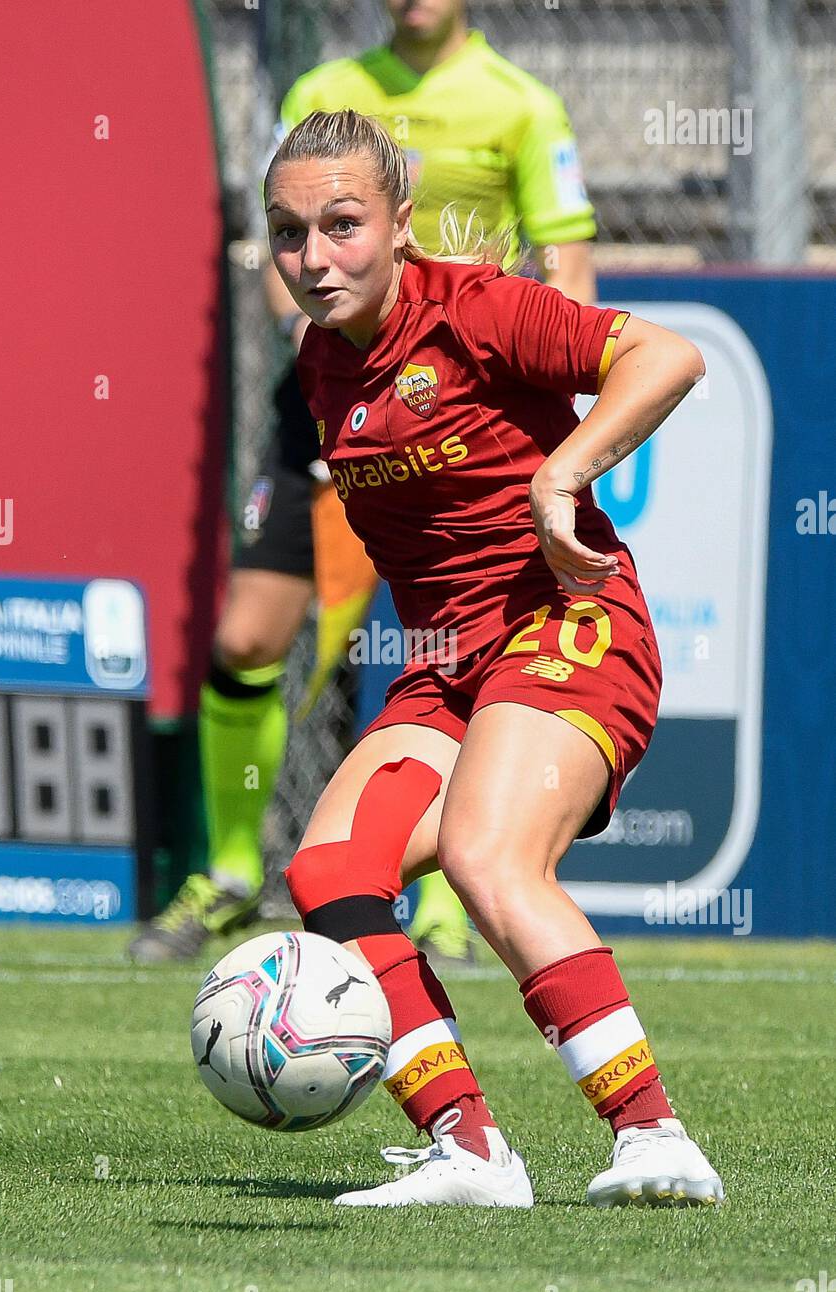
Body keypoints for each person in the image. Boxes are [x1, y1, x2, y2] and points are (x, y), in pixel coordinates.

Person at [264, 108, 725, 1210]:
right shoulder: (315, 358)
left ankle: (652, 1133)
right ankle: (468, 1150)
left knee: (485, 854)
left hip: (568, 627)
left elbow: (667, 355)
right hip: (450, 669)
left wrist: (558, 474)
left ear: (400, 218)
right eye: (287, 234)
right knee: (327, 871)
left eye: (342, 224)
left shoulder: (476, 312)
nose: (314, 259)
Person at [129, 0, 598, 965]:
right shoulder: (324, 96)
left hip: (463, 415)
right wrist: (338, 336)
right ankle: (225, 876)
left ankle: (447, 896)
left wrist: (517, 388)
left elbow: (571, 272)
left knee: (465, 638)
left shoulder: (521, 104)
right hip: (336, 396)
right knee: (245, 636)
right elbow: (278, 266)